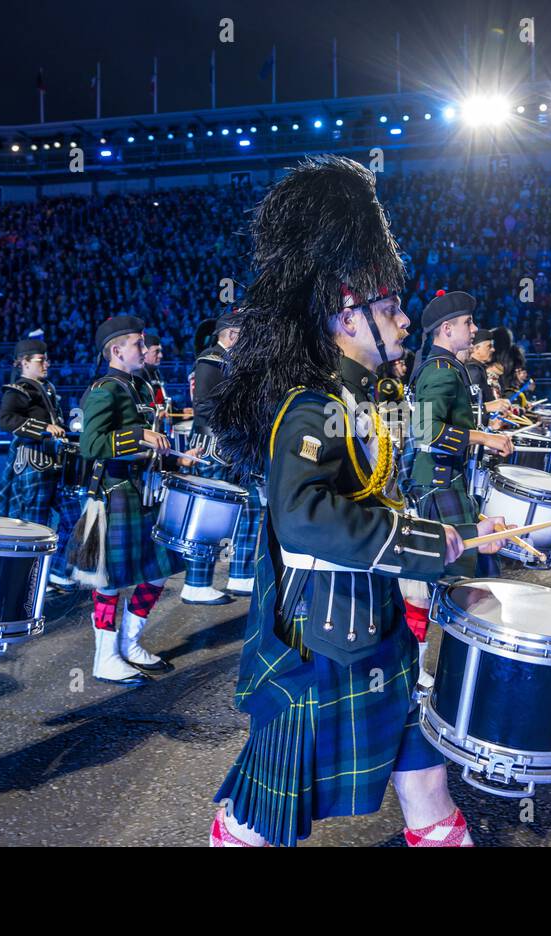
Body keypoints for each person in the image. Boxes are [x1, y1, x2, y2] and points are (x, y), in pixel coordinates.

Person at [201, 155, 505, 847]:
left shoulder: (370, 398)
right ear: (346, 314)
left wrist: (461, 526)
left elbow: (388, 490)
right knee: (260, 820)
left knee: (427, 783)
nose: (403, 319)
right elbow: (302, 518)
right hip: (320, 642)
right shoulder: (311, 408)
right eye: (391, 307)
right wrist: (426, 545)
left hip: (376, 627)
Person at [67, 315, 190, 685]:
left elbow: (145, 443)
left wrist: (176, 457)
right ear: (117, 351)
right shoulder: (106, 388)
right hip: (115, 493)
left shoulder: (136, 387)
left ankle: (130, 643)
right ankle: (105, 657)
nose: (144, 347)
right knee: (109, 580)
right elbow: (91, 445)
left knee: (160, 570)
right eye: (138, 344)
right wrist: (138, 435)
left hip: (142, 492)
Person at [408, 291, 514, 578]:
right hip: (439, 482)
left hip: (448, 477)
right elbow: (426, 431)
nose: (474, 328)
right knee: (460, 579)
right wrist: (484, 438)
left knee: (466, 575)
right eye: (468, 323)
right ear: (447, 329)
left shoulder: (448, 368)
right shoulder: (440, 371)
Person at [182, 310, 259, 604]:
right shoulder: (209, 361)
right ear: (231, 334)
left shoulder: (233, 363)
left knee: (249, 509)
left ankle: (241, 574)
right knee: (210, 518)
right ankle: (196, 582)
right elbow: (205, 408)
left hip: (234, 448)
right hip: (213, 448)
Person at [0, 335, 81, 589]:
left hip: (55, 464)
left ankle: (55, 571)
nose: (47, 364)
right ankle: (25, 582)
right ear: (24, 363)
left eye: (46, 360)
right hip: (33, 465)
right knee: (34, 526)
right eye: (41, 360)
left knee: (74, 515)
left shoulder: (48, 388)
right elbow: (5, 420)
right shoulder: (19, 389)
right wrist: (43, 428)